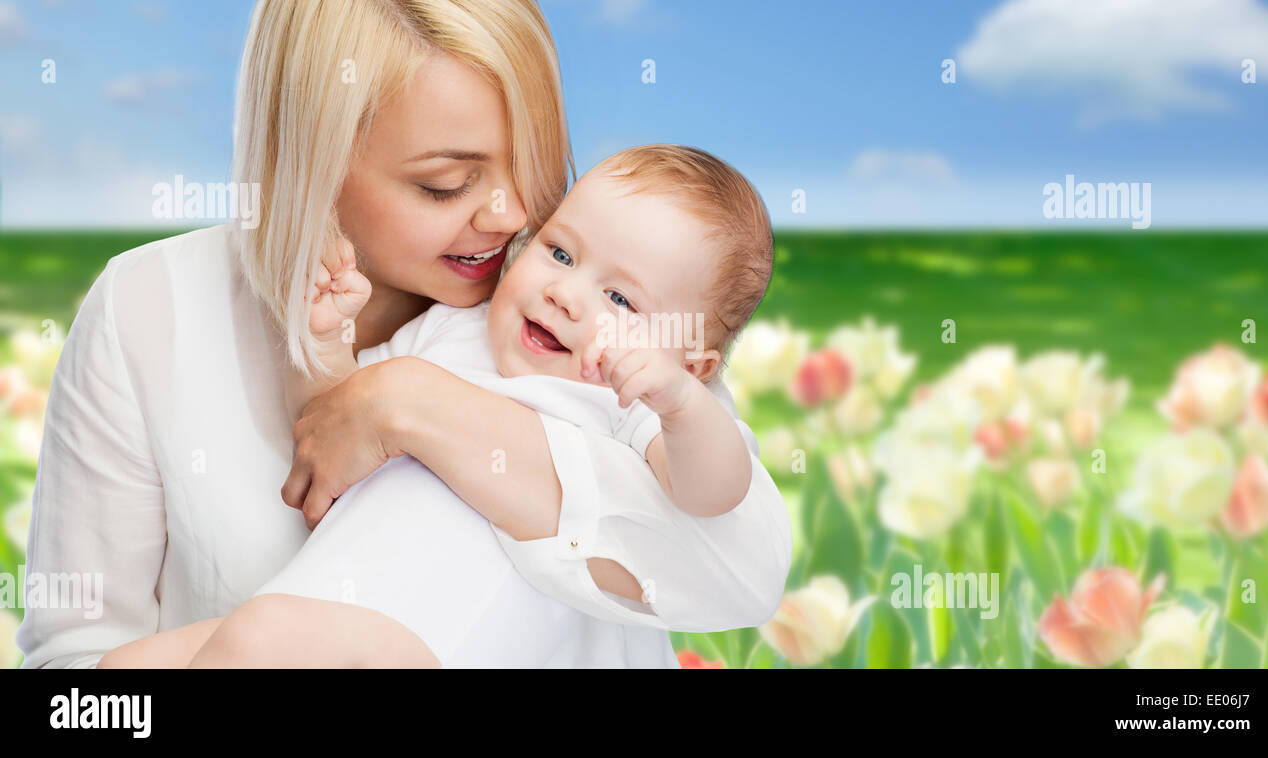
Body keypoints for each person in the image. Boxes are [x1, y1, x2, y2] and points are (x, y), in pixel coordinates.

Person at [18, 0, 790, 669]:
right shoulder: (150, 309)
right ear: (310, 160)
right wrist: (333, 359)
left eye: (531, 163)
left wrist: (412, 405)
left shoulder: (627, 347)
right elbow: (327, 426)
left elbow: (738, 564)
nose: (513, 216)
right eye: (445, 185)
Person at [98, 144, 775, 667]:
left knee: (259, 637)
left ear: (694, 362)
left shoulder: (631, 405)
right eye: (561, 251)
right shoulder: (453, 333)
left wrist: (684, 404)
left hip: (423, 638)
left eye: (621, 299)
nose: (567, 294)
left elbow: (712, 496)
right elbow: (332, 426)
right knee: (126, 669)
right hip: (321, 598)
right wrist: (325, 342)